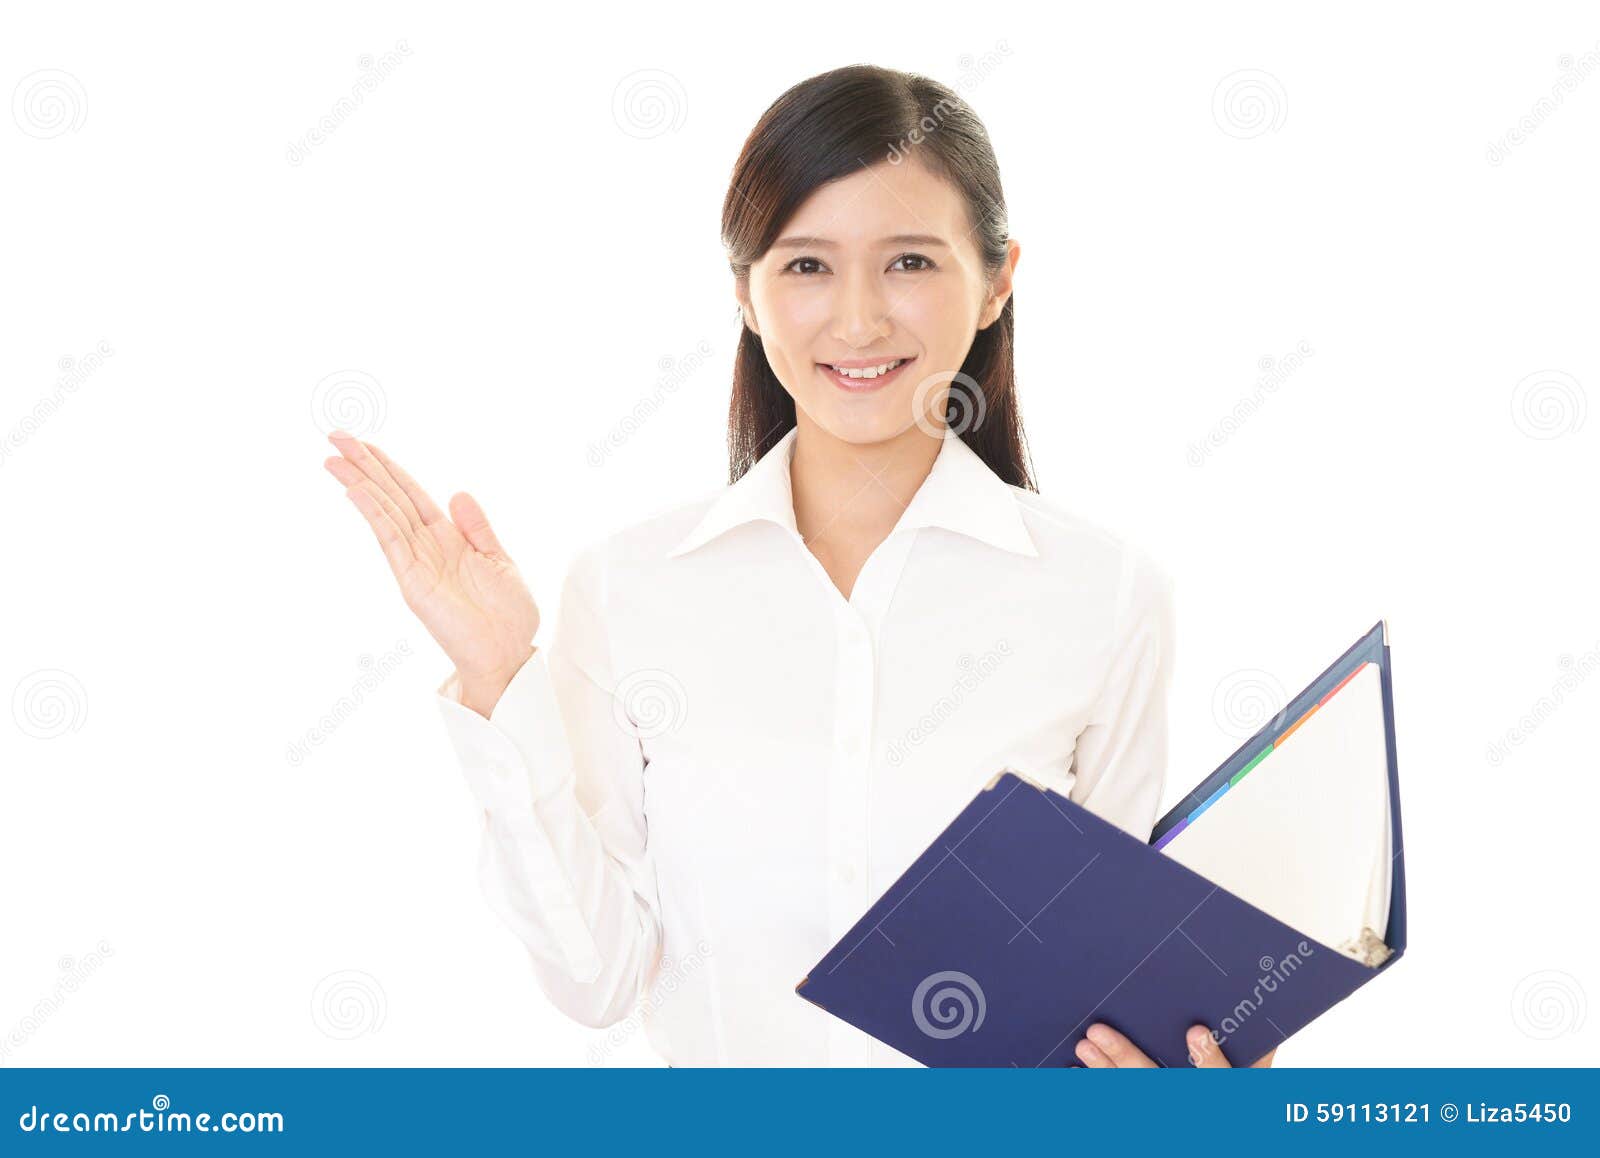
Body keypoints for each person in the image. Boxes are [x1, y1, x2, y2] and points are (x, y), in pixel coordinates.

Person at [322, 63, 1274, 1069]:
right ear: (745, 292)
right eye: (807, 265)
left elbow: (1107, 987)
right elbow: (596, 980)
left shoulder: (1105, 596)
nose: (857, 320)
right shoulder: (627, 589)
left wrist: (1199, 1078)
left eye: (910, 261)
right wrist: (495, 674)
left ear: (997, 280)